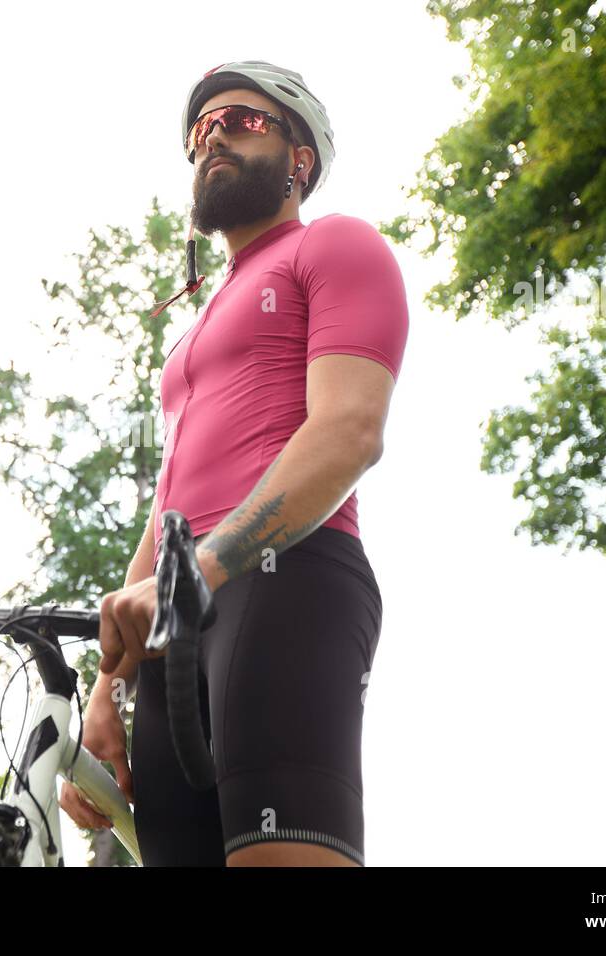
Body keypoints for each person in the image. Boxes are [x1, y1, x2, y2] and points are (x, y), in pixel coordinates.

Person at [60, 61, 410, 867]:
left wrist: (208, 568)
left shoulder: (336, 245)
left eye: (243, 120)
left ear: (300, 159)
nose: (214, 133)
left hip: (290, 577)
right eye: (201, 128)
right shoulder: (190, 336)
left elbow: (350, 430)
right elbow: (168, 506)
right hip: (182, 617)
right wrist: (108, 694)